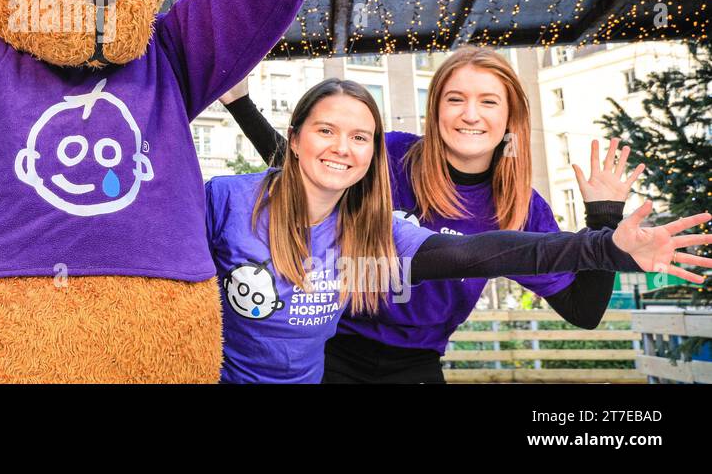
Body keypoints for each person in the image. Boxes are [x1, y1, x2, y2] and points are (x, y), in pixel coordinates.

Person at [207, 78, 711, 383]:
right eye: (455, 101)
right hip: (321, 360)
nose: (343, 147)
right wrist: (241, 104)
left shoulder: (376, 232)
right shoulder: (229, 198)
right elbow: (302, 174)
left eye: (360, 137)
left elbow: (475, 255)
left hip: (402, 367)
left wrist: (608, 239)